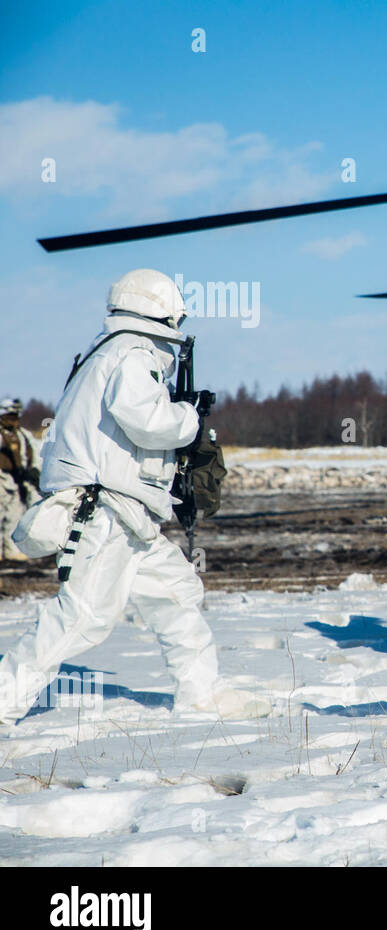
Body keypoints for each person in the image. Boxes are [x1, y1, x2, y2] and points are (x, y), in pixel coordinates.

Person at [0, 269, 268, 726]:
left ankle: (201, 694)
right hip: (105, 512)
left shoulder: (108, 350)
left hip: (127, 514)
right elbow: (146, 419)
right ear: (162, 311)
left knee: (177, 592)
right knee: (83, 618)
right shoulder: (131, 352)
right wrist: (189, 416)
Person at [1, 399, 42, 562]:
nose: (14, 419)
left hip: (17, 480)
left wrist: (33, 471)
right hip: (2, 477)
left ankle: (11, 550)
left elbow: (31, 452)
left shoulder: (22, 434)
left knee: (14, 515)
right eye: (11, 415)